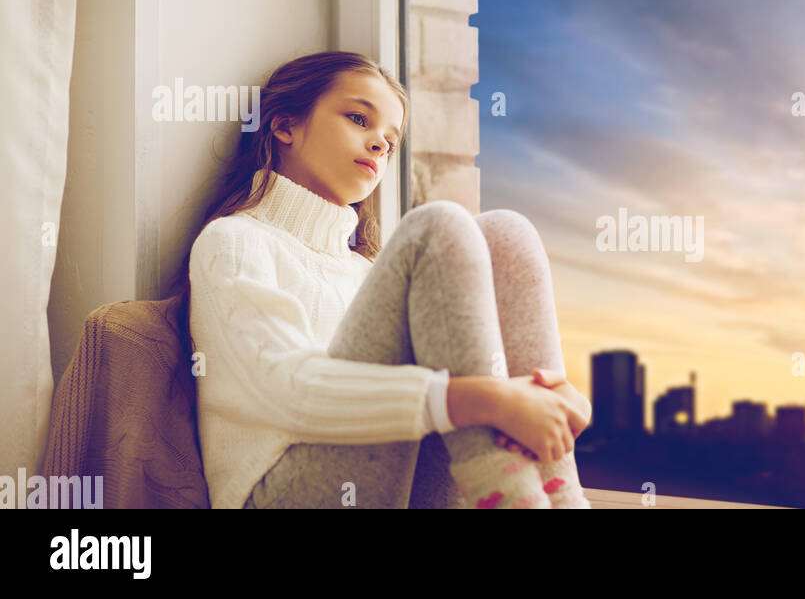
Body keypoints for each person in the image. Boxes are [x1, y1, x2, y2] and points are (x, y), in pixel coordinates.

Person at [176, 51, 591, 509]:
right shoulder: (234, 242)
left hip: (395, 490)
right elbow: (290, 394)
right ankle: (513, 497)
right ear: (284, 125)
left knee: (506, 233)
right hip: (283, 494)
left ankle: (562, 496)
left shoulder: (364, 271)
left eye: (390, 143)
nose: (379, 145)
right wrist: (485, 399)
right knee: (437, 227)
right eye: (359, 118)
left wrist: (555, 402)